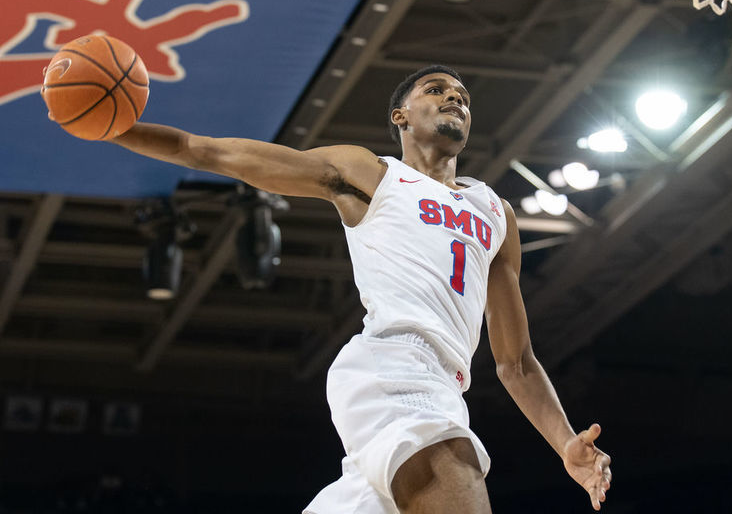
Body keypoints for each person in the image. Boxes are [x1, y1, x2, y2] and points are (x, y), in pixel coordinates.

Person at [108, 65, 611, 513]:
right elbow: (213, 153)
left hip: (446, 385)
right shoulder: (371, 175)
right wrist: (116, 127)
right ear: (401, 116)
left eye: (462, 97)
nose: (455, 98)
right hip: (393, 365)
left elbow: (516, 363)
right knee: (458, 486)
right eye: (437, 90)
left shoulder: (494, 211)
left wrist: (565, 441)